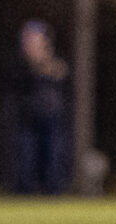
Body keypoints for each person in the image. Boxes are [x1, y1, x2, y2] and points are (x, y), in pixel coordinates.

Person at [4, 19, 69, 195]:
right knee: (26, 161)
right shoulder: (18, 64)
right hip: (26, 120)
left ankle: (53, 195)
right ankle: (25, 196)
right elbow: (16, 85)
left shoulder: (55, 61)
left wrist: (45, 63)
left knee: (53, 160)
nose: (30, 42)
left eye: (34, 37)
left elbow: (62, 77)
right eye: (27, 38)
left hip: (52, 119)